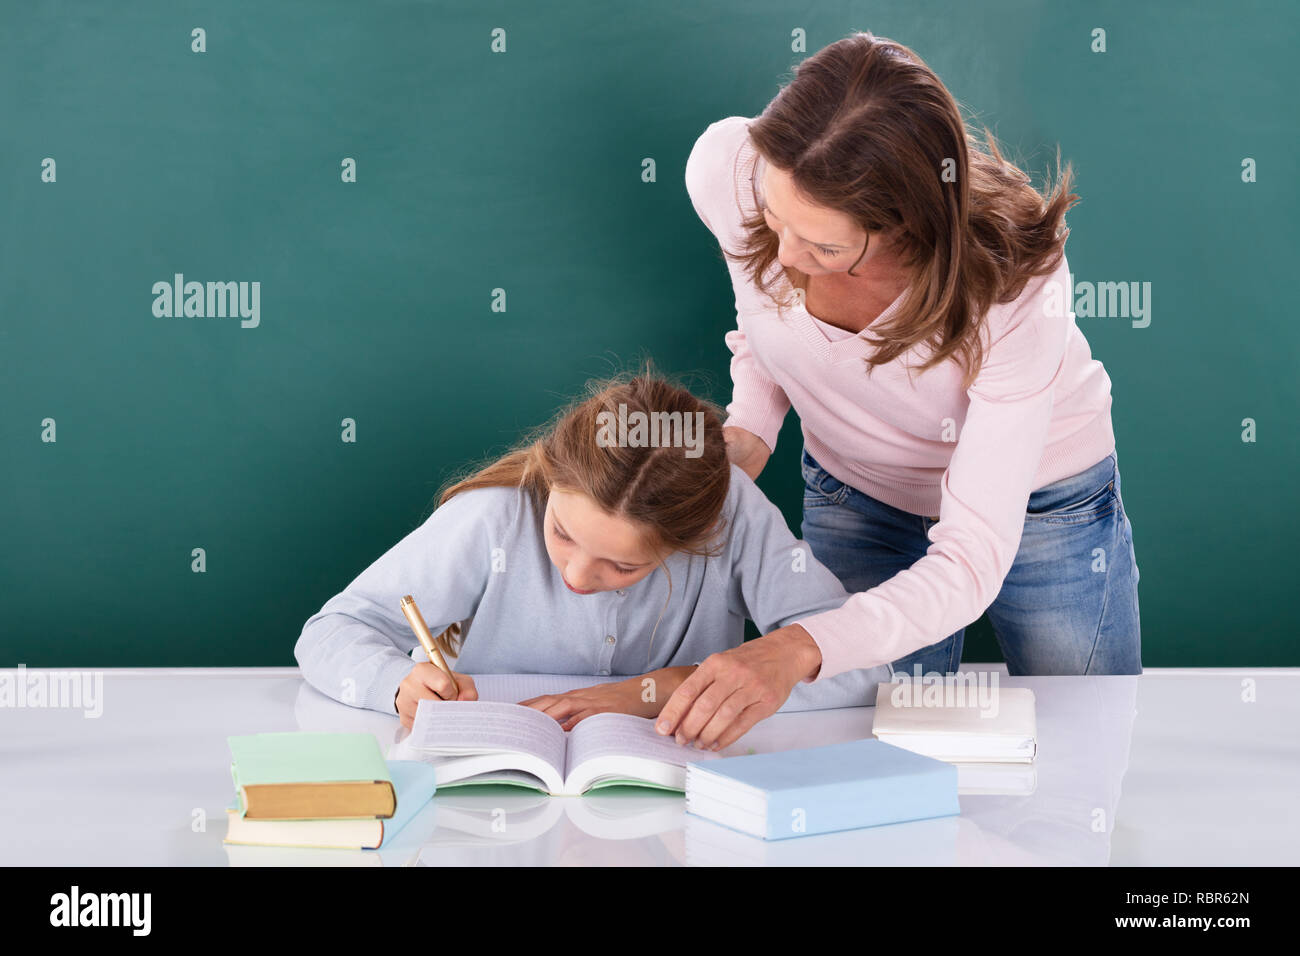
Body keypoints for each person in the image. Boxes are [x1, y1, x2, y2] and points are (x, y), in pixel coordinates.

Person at [658, 31, 1140, 751]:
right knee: (867, 749)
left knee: (1082, 745)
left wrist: (794, 649)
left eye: (824, 249)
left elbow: (971, 558)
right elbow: (759, 319)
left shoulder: (1013, 287)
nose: (785, 260)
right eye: (775, 220)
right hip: (858, 495)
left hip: (1047, 507)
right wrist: (753, 423)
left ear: (908, 227)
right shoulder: (728, 172)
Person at [295, 367, 891, 736]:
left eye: (624, 565)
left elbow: (863, 669)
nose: (577, 576)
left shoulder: (734, 517)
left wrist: (655, 691)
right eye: (561, 533)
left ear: (697, 534)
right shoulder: (494, 515)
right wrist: (396, 684)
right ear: (549, 478)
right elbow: (333, 630)